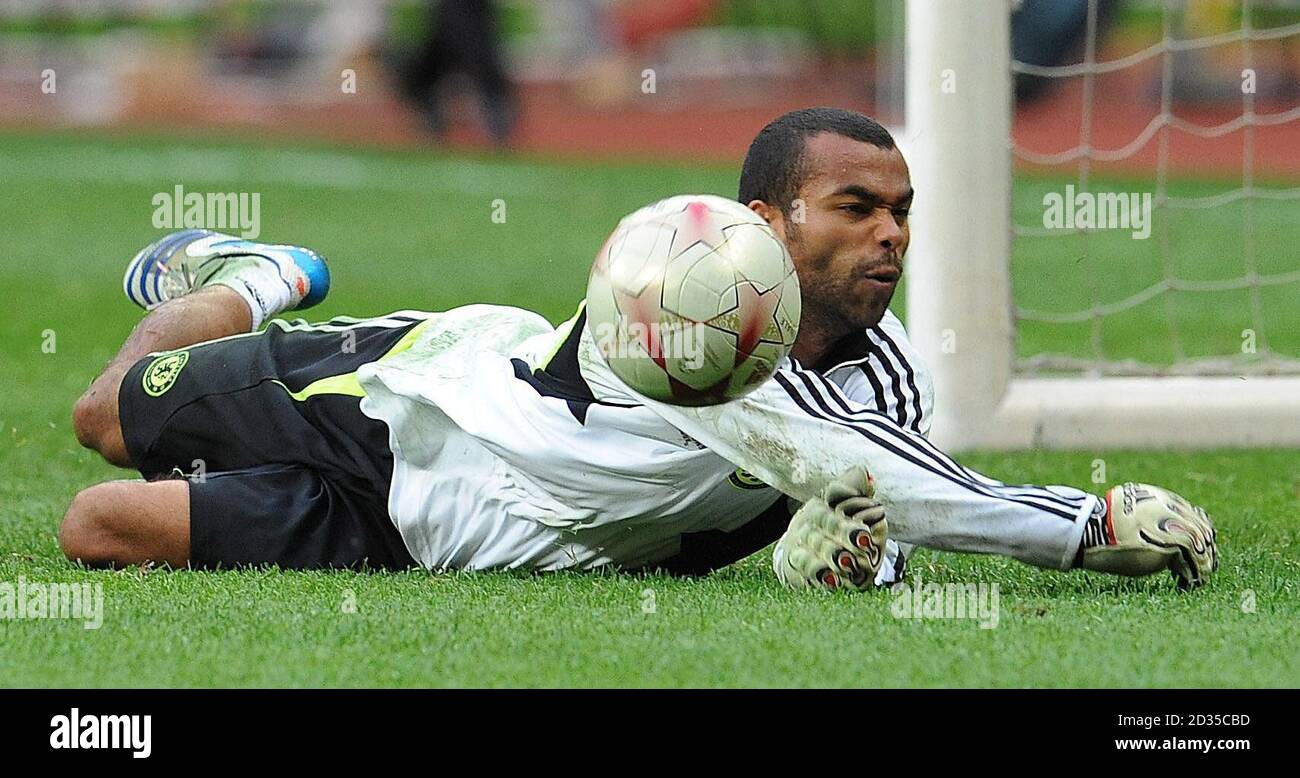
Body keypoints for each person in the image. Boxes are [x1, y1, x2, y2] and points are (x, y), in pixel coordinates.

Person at [61, 107, 1217, 591]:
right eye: (854, 206)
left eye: (900, 210)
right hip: (406, 402)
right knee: (103, 420)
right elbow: (845, 459)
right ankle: (249, 281)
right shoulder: (682, 282)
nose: (889, 236)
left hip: (444, 530)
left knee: (98, 528)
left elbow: (876, 494)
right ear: (768, 224)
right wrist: (1082, 526)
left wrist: (857, 560)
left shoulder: (882, 369)